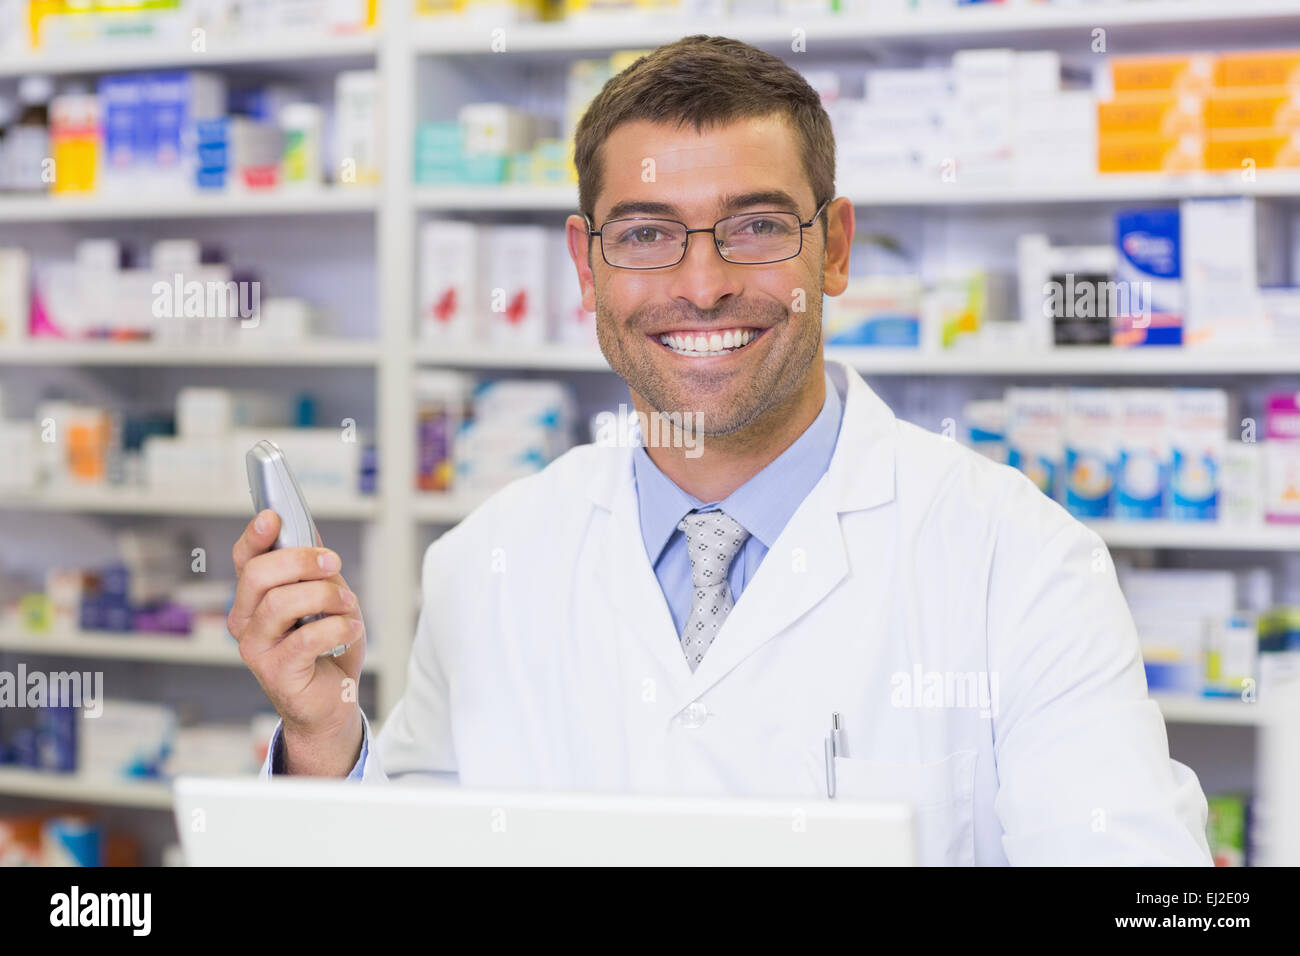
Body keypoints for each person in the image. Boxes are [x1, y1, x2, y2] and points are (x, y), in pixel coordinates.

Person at [229, 35, 1212, 865]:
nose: (700, 285)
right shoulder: (485, 562)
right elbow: (411, 855)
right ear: (587, 264)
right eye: (648, 233)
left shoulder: (1023, 560)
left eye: (752, 227)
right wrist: (324, 736)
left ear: (833, 248)